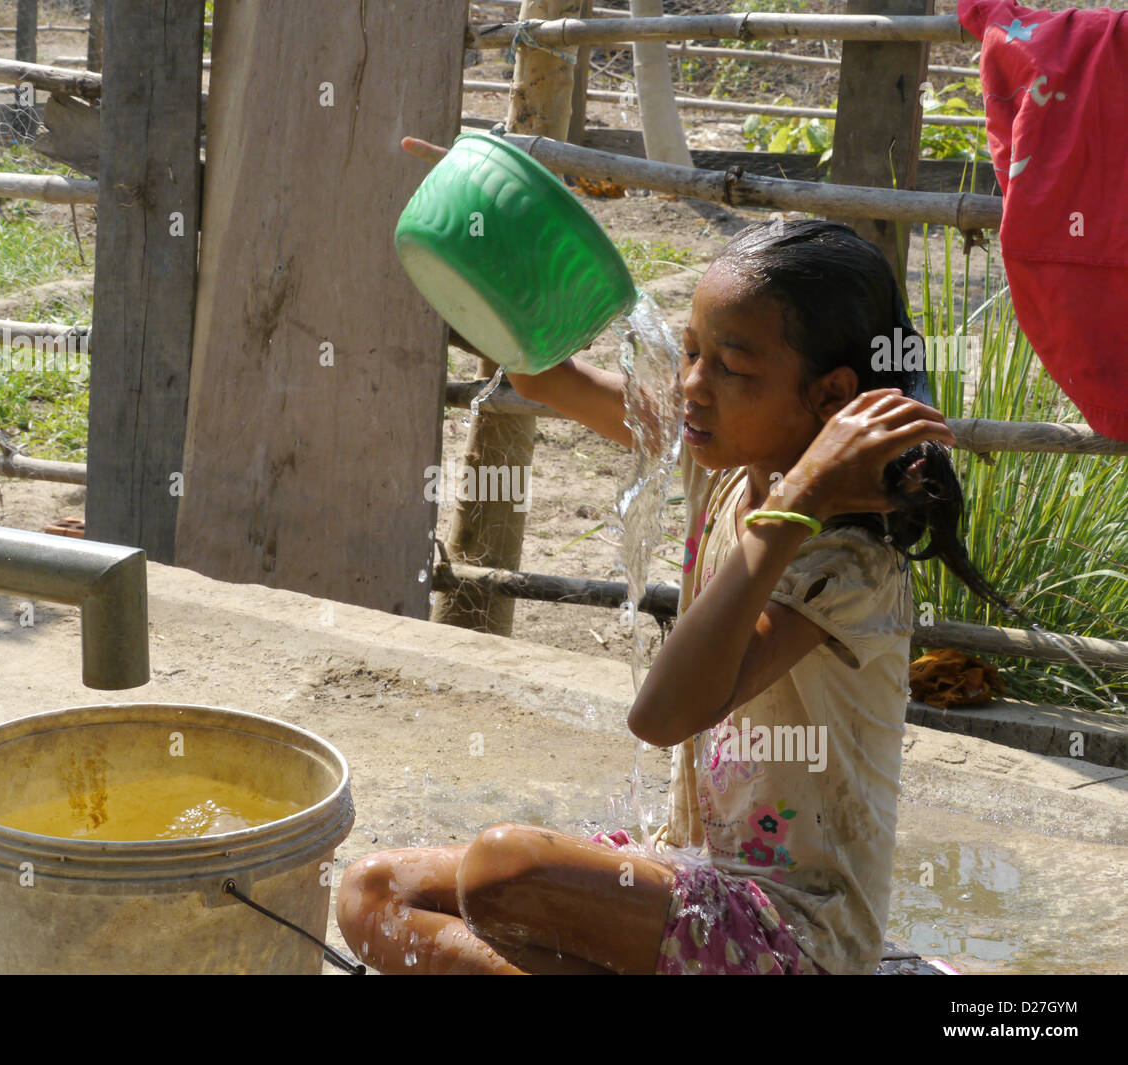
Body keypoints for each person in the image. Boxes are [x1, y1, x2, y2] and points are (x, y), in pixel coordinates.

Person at [339, 144, 1019, 974]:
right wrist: (497, 221)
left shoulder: (845, 559)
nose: (693, 384)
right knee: (375, 892)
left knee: (503, 867)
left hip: (795, 933)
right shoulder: (724, 459)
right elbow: (547, 374)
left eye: (730, 367)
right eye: (692, 350)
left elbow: (661, 717)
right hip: (686, 880)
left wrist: (797, 499)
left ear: (833, 397)